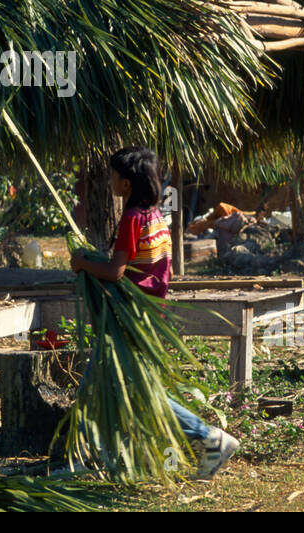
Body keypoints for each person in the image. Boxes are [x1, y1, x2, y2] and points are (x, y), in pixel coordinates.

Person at [69, 146, 241, 480]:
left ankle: (210, 437)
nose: (110, 181)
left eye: (114, 176)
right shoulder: (156, 217)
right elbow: (164, 271)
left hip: (128, 320)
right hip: (147, 316)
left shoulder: (132, 219)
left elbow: (116, 271)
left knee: (131, 392)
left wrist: (82, 264)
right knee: (99, 386)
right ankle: (86, 459)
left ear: (127, 184)